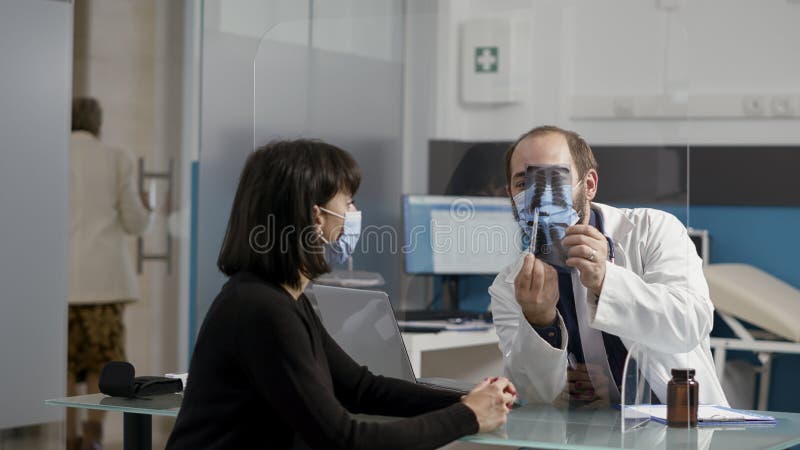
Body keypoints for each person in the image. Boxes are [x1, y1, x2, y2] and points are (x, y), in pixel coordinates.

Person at [166, 139, 516, 450]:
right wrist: (467, 416)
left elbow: (361, 388)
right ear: (315, 216)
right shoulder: (262, 309)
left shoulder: (284, 299)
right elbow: (341, 438)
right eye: (349, 202)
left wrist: (468, 400)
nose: (353, 215)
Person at [489, 125, 728, 407]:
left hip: (675, 424)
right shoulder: (509, 286)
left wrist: (607, 279)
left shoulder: (653, 230)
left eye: (554, 178)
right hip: (582, 434)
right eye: (522, 183)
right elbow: (531, 396)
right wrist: (540, 322)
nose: (538, 194)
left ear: (588, 185)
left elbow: (691, 324)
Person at [67, 97, 152, 450]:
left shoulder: (52, 155)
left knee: (67, 364)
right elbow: (135, 222)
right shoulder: (117, 158)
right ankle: (93, 435)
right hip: (104, 280)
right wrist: (146, 207)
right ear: (98, 124)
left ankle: (68, 435)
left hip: (62, 282)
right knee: (104, 362)